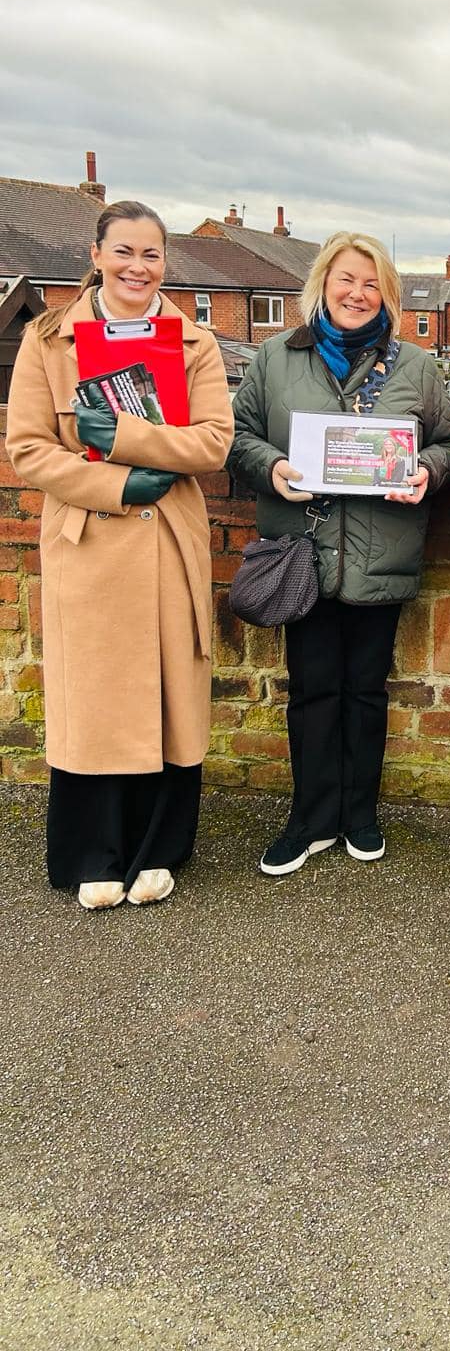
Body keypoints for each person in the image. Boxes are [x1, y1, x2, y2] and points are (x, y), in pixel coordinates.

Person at [6, 199, 234, 910]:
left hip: (169, 540)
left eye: (152, 255)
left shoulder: (194, 343)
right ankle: (93, 853)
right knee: (96, 699)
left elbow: (213, 442)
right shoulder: (48, 339)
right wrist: (116, 482)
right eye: (125, 252)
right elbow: (27, 449)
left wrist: (132, 440)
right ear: (97, 254)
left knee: (169, 695)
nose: (139, 267)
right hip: (91, 540)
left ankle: (160, 850)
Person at [228, 232, 450, 876]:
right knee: (310, 691)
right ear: (322, 287)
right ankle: (309, 818)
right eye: (345, 281)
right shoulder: (275, 358)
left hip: (378, 553)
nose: (357, 294)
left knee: (365, 690)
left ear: (386, 294)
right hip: (300, 551)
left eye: (371, 284)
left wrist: (428, 472)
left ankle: (360, 812)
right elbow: (237, 436)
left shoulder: (415, 367)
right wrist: (270, 466)